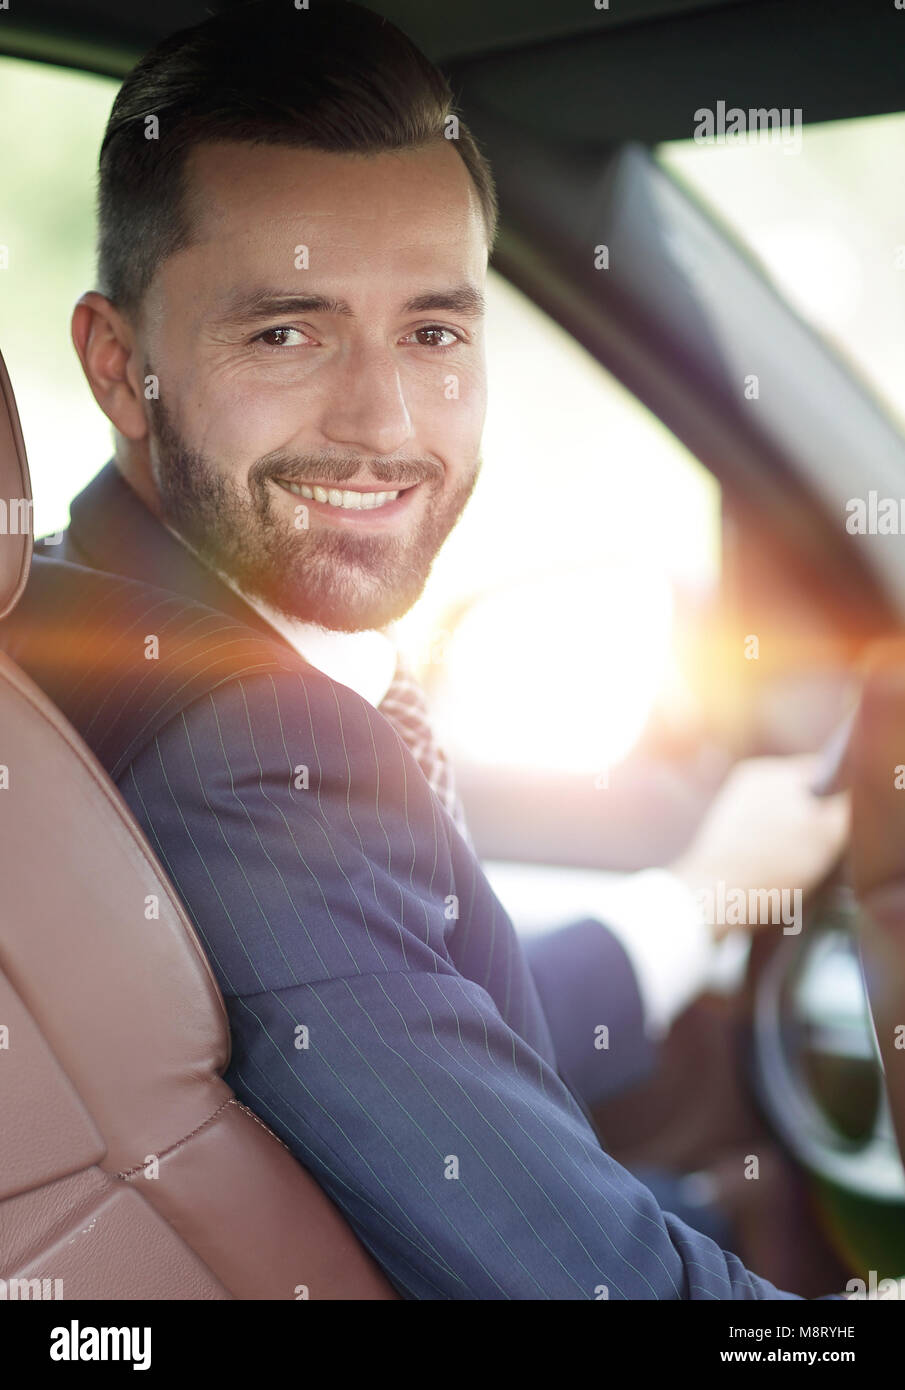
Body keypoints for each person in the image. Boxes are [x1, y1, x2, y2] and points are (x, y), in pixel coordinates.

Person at [14, 0, 849, 1296]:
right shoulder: (257, 746)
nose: (383, 423)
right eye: (285, 330)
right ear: (122, 367)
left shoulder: (71, 628)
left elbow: (396, 1044)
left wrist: (689, 901)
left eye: (433, 330)